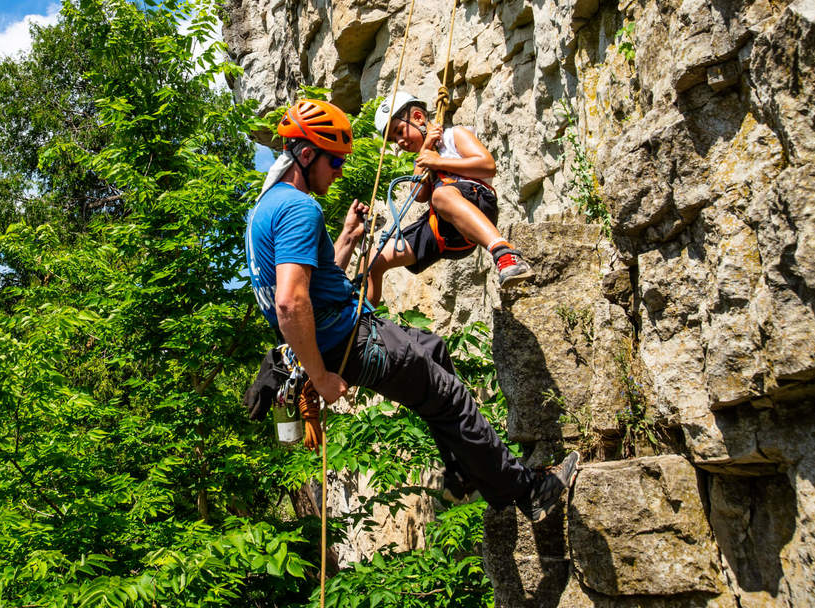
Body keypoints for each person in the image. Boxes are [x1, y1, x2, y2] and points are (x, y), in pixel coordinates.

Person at [244, 97, 577, 520]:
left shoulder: (264, 209)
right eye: (335, 162)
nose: (341, 171)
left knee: (432, 347)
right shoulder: (298, 208)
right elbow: (290, 302)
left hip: (338, 335)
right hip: (351, 342)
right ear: (306, 155)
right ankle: (529, 493)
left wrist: (346, 237)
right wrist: (320, 377)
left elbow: (316, 281)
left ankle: (463, 473)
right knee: (449, 398)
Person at [366, 91, 534, 305]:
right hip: (443, 225)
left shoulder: (454, 136)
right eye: (393, 139)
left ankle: (504, 254)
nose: (399, 141)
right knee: (374, 258)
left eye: (399, 131)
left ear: (418, 117)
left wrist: (439, 163)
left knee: (442, 194)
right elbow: (418, 195)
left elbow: (487, 165)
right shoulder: (425, 157)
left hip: (476, 201)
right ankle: (363, 324)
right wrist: (426, 152)